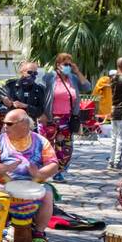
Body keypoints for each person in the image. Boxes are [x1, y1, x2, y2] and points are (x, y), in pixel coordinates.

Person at [0, 110, 58, 242]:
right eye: (4, 123)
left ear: (24, 124)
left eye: (9, 124)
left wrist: (39, 173)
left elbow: (53, 164)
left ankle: (39, 234)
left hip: (33, 184)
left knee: (48, 193)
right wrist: (5, 167)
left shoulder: (41, 141)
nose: (5, 126)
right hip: (4, 183)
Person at [39, 52, 91, 180]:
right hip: (49, 118)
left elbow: (87, 87)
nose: (68, 66)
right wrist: (41, 114)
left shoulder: (73, 78)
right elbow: (39, 95)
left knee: (65, 147)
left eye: (69, 64)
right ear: (58, 64)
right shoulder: (49, 77)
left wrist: (77, 71)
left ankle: (59, 172)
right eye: (65, 64)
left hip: (67, 119)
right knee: (46, 146)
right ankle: (44, 172)